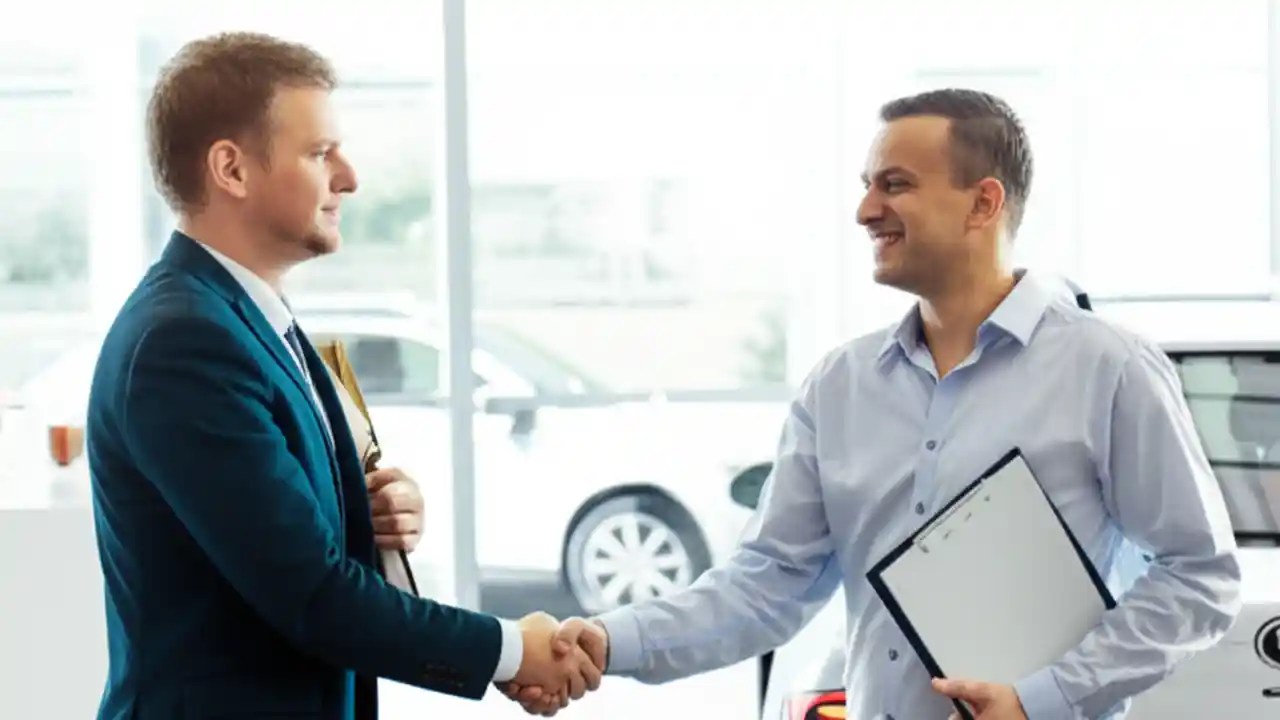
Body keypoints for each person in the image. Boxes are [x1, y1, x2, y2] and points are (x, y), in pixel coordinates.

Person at [506, 89, 1244, 719]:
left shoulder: (1108, 368)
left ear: (983, 203)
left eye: (895, 184)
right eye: (867, 184)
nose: (865, 210)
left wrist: (1041, 697)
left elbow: (1199, 576)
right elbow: (768, 584)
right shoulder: (840, 386)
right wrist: (610, 639)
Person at [86, 32, 597, 720]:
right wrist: (510, 651)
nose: (349, 178)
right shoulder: (182, 342)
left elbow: (284, 539)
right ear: (231, 169)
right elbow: (312, 596)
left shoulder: (245, 318)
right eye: (320, 152)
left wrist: (368, 513)